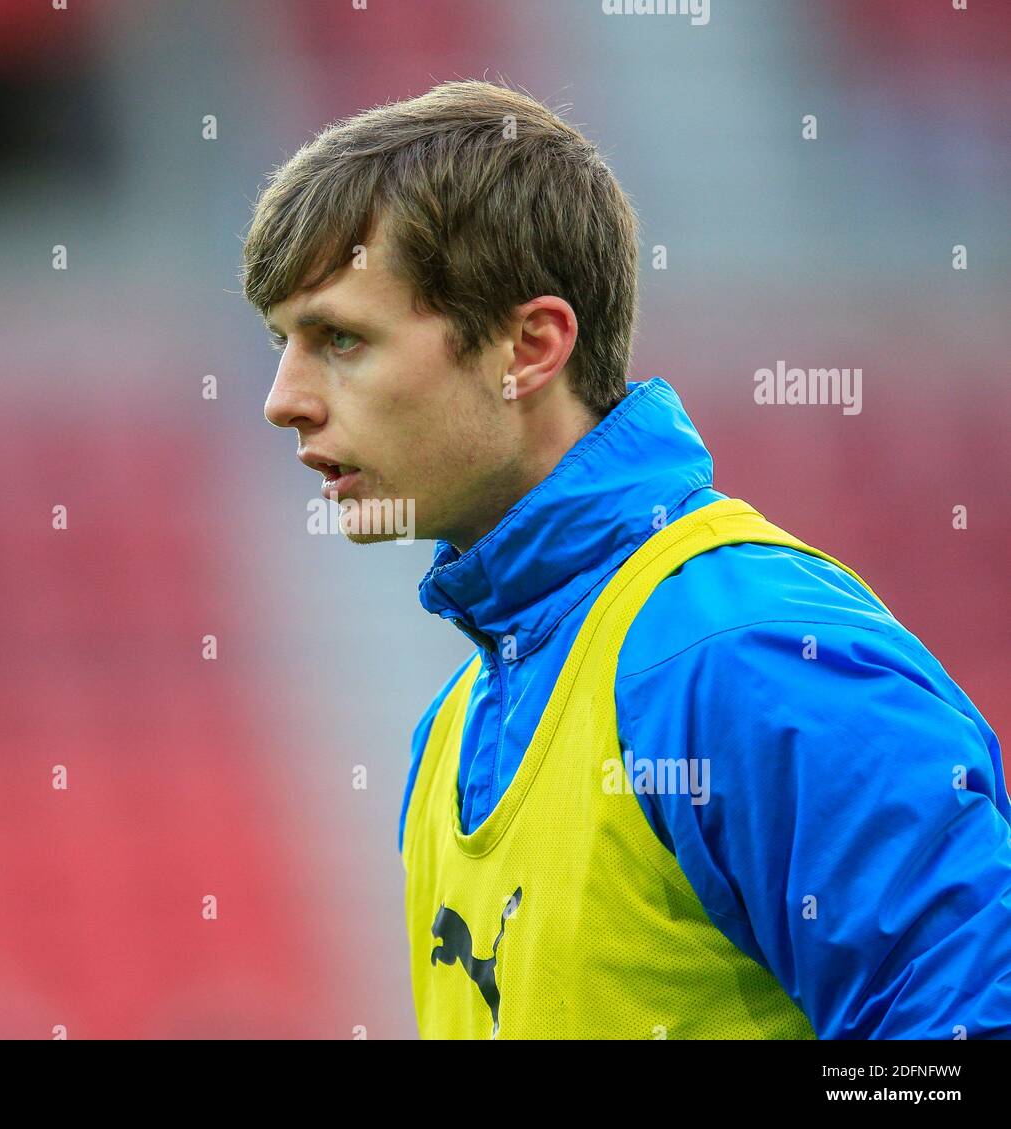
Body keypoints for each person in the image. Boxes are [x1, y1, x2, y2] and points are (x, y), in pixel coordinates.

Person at [242, 79, 1011, 1039]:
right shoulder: (452, 733)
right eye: (284, 342)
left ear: (529, 347)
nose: (282, 398)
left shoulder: (747, 657)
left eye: (340, 339)